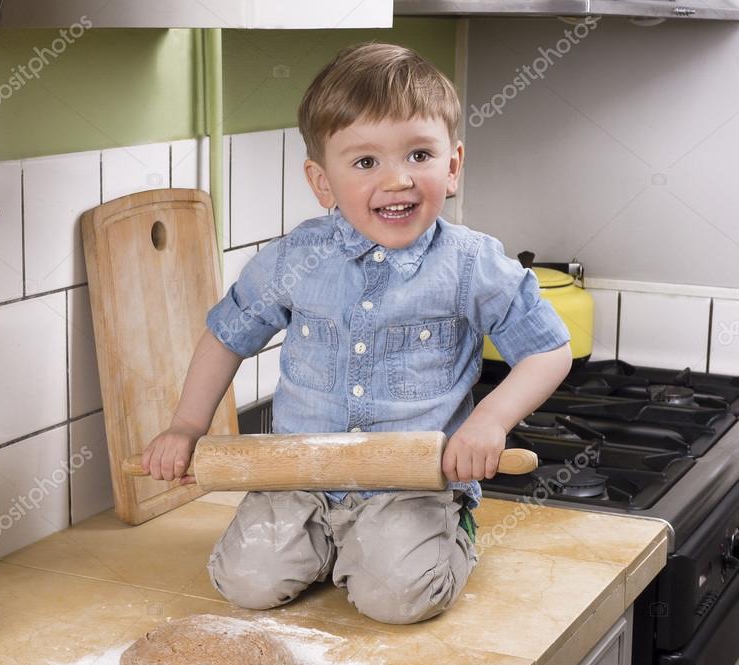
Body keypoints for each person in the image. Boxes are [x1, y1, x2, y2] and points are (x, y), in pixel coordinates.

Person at [140, 42, 572, 624]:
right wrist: (186, 426)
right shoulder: (296, 258)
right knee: (245, 582)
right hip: (299, 475)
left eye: (419, 154)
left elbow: (549, 350)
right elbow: (227, 336)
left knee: (395, 600)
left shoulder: (471, 264)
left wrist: (488, 423)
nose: (397, 180)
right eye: (366, 163)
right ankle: (332, 543)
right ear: (322, 182)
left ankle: (452, 528)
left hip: (414, 484)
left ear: (452, 166)